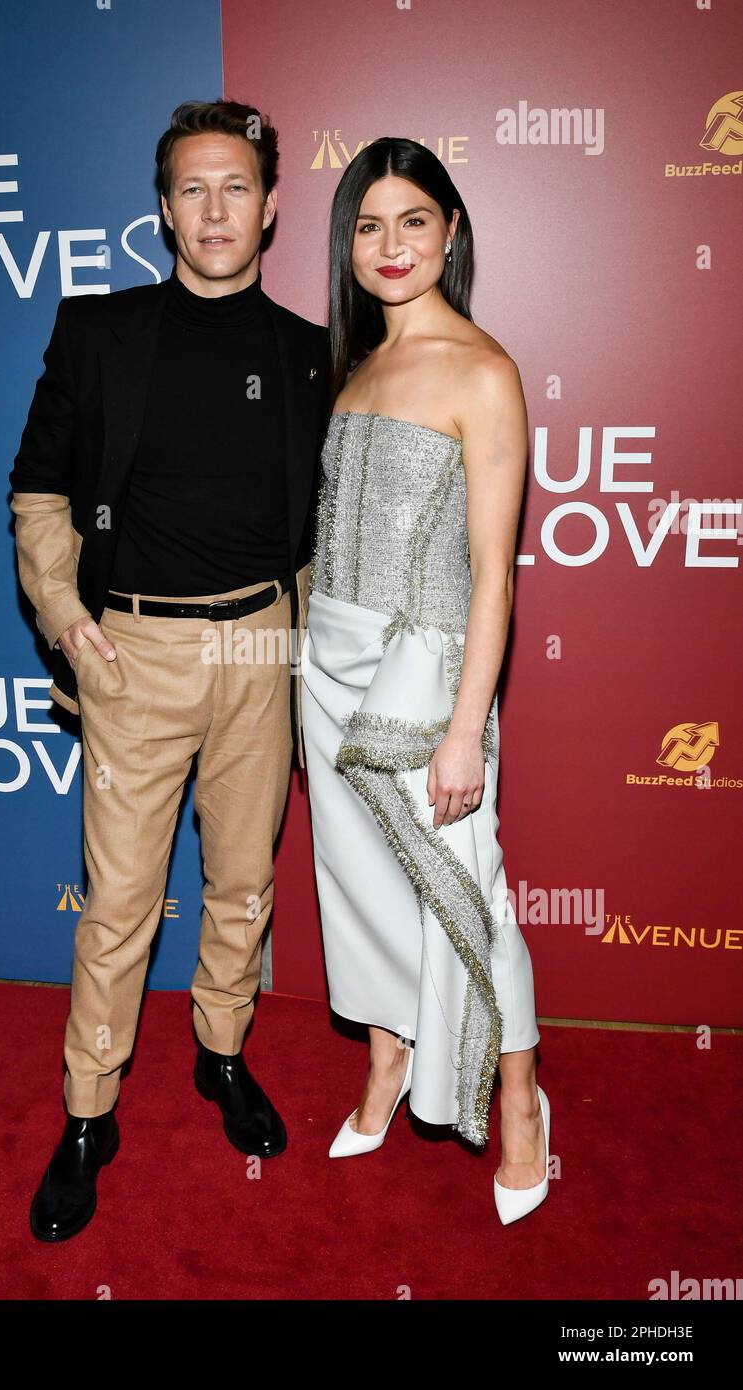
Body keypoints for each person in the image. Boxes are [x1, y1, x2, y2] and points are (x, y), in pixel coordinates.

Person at [9, 100, 329, 1242]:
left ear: (270, 205)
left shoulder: (308, 354)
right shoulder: (98, 332)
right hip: (134, 650)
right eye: (190, 189)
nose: (212, 209)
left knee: (243, 882)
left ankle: (221, 1053)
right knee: (120, 906)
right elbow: (40, 487)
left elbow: (322, 529)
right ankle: (88, 1113)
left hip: (262, 646)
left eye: (234, 187)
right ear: (161, 209)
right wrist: (62, 612)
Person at [299, 137, 550, 1224]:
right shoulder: (352, 369)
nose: (389, 245)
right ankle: (385, 1060)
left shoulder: (483, 370)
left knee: (466, 893)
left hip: (423, 668)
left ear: (449, 232)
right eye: (367, 224)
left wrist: (464, 728)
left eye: (411, 220)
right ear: (345, 245)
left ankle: (522, 1099)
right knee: (355, 890)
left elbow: (494, 569)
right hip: (327, 661)